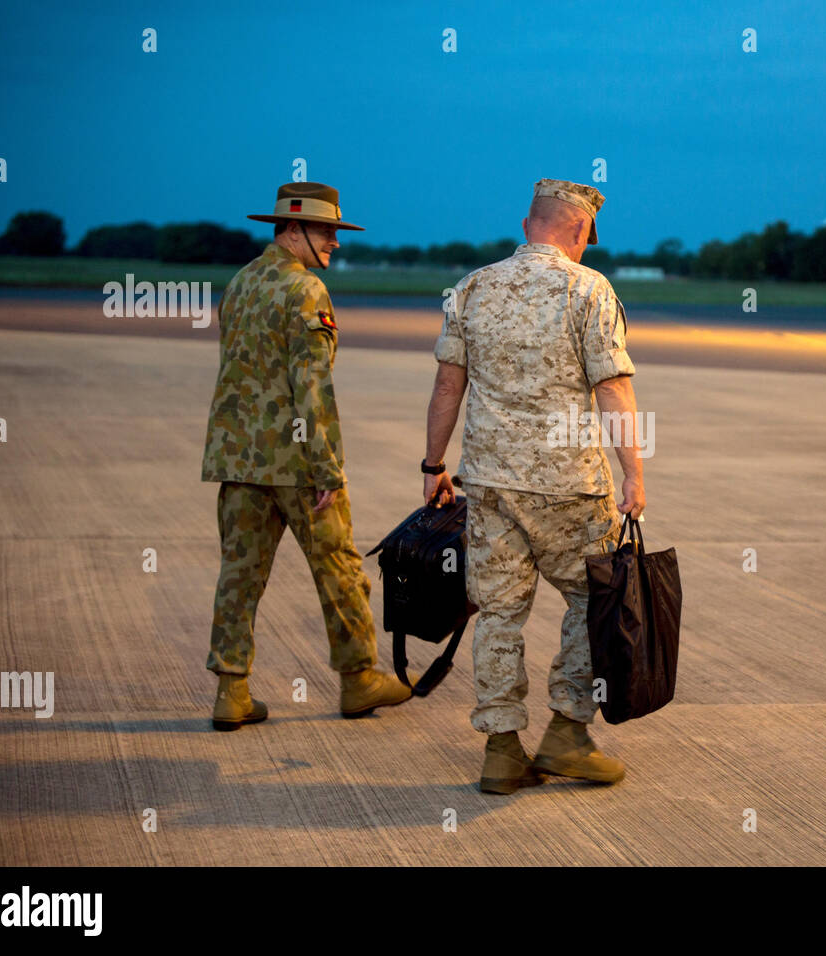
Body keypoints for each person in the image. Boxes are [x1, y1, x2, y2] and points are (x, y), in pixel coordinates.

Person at [423, 178, 646, 793]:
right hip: (569, 485)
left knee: (498, 610)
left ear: (528, 225)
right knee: (596, 598)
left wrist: (432, 466)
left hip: (490, 483)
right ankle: (567, 734)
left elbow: (448, 387)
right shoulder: (589, 289)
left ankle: (501, 752)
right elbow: (612, 388)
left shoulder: (471, 287)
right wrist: (634, 472)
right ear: (579, 232)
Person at [201, 182, 412, 730]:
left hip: (239, 459)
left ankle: (231, 690)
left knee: (238, 576)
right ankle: (359, 680)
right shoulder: (306, 291)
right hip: (296, 463)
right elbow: (311, 386)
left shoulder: (241, 282)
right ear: (292, 229)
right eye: (326, 232)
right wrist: (326, 470)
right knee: (338, 567)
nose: (334, 243)